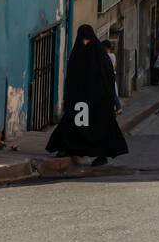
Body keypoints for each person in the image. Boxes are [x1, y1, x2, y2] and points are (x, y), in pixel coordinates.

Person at [46, 25, 128, 166]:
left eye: (87, 39)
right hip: (80, 102)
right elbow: (71, 78)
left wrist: (108, 100)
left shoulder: (101, 57)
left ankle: (102, 155)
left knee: (100, 129)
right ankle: (69, 149)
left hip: (99, 103)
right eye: (82, 39)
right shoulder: (77, 54)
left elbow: (108, 79)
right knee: (75, 125)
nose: (84, 43)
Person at [102, 40, 123, 113]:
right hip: (112, 75)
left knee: (111, 92)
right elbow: (114, 66)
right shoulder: (113, 55)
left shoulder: (107, 56)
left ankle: (118, 107)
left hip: (107, 76)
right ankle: (116, 107)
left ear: (105, 47)